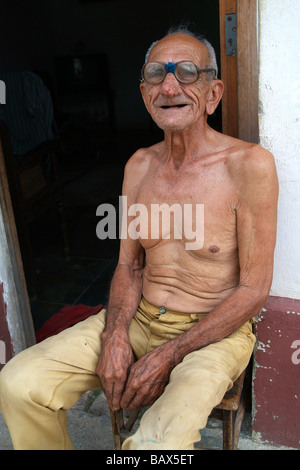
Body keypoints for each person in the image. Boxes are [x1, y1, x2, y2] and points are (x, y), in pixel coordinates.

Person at [0, 27, 278, 450]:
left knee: (157, 445)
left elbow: (254, 289)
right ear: (144, 92)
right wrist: (114, 334)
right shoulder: (139, 166)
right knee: (18, 383)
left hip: (214, 333)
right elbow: (129, 265)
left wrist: (169, 354)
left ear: (213, 92)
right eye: (155, 74)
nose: (170, 86)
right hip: (138, 319)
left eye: (187, 72)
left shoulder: (249, 166)